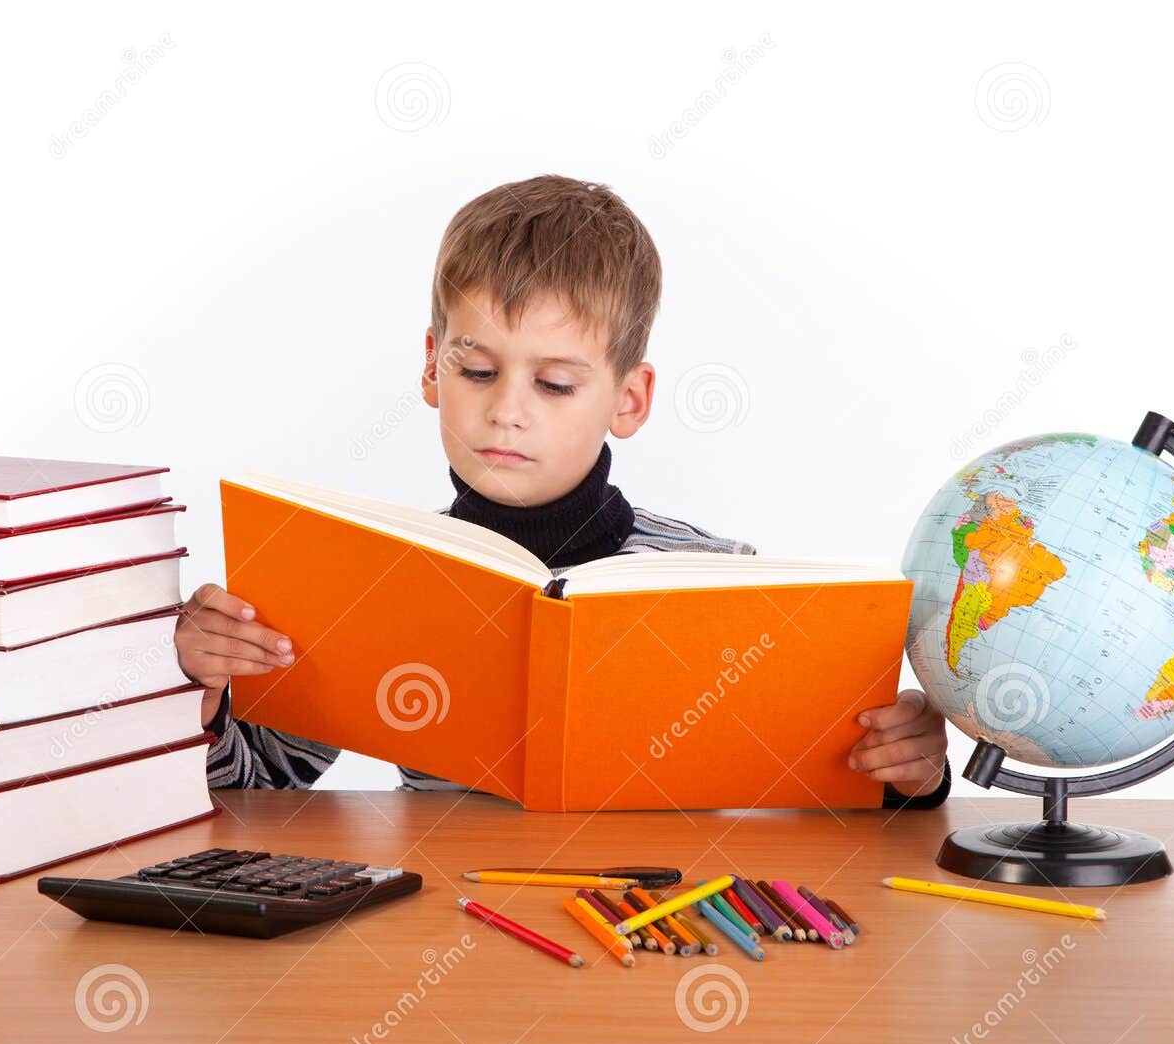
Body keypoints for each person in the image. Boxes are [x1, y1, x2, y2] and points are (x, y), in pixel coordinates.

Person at [177, 175, 950, 809]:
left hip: (654, 942)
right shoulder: (376, 581)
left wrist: (908, 771)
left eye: (553, 383)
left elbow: (824, 799)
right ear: (429, 365)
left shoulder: (718, 580)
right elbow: (247, 791)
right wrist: (201, 691)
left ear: (629, 399)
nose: (507, 408)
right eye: (476, 370)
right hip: (448, 939)